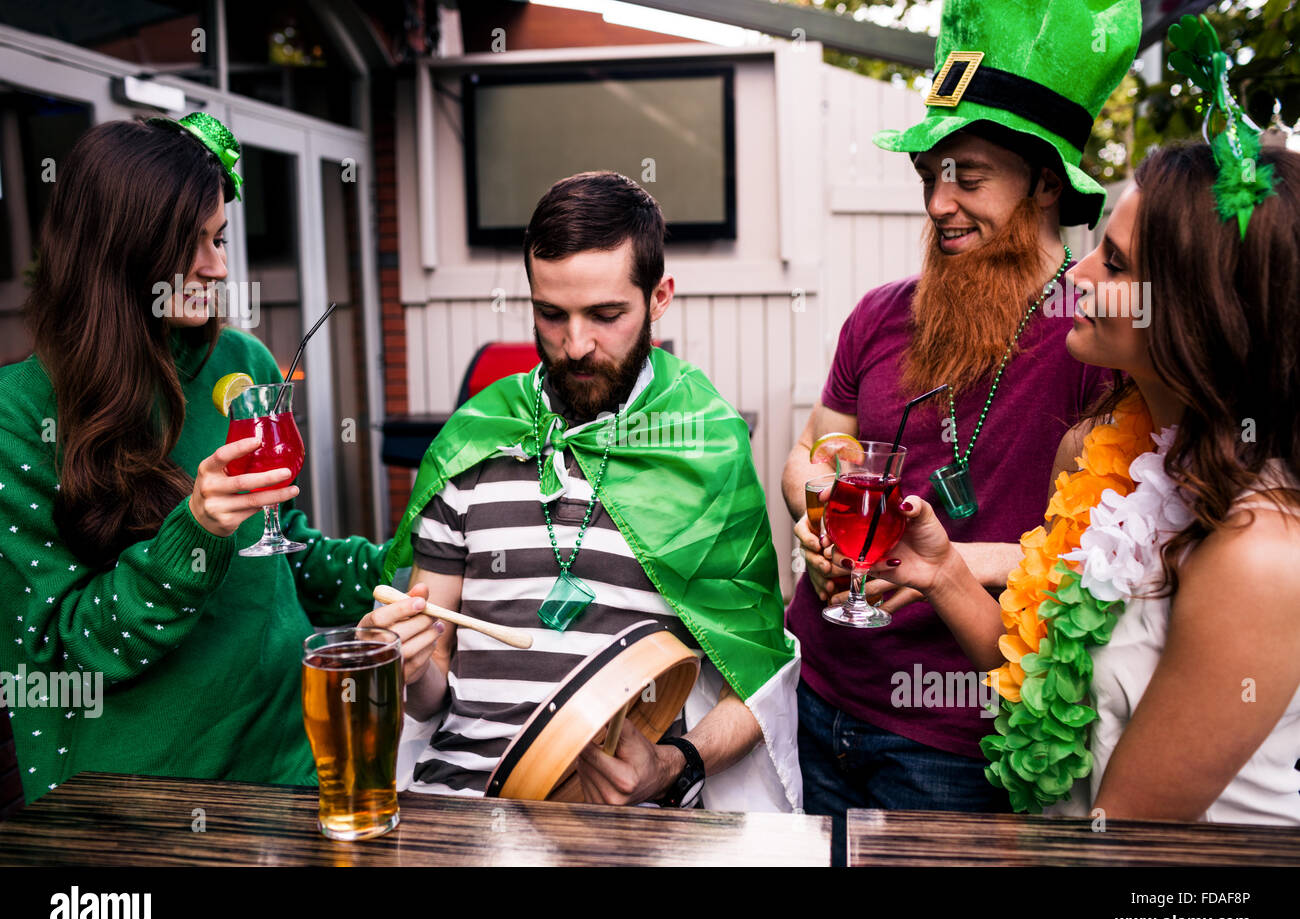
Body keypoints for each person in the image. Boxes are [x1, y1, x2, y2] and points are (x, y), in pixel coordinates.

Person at [781, 0, 1141, 858]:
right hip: (818, 694)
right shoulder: (880, 313)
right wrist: (824, 512)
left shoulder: (1102, 338)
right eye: (930, 176)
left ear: (1046, 183)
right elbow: (812, 448)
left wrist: (940, 562)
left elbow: (1107, 560)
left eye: (968, 178)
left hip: (954, 737)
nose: (938, 203)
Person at [871, 135, 1300, 824]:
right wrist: (942, 572)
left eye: (1118, 264)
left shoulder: (1257, 550)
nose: (1079, 274)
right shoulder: (1096, 458)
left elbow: (1125, 832)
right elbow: (1044, 676)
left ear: (1203, 307)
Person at [0, 114, 428, 802]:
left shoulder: (242, 362)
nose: (218, 267)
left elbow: (285, 558)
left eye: (219, 238)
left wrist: (418, 561)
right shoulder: (19, 414)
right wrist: (195, 529)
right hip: (144, 801)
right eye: (188, 242)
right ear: (115, 249)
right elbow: (64, 651)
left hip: (295, 764)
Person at [378, 172, 801, 811]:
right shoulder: (475, 440)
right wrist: (410, 668)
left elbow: (757, 676)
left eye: (606, 315)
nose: (575, 346)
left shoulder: (704, 447)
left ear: (659, 298)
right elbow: (432, 684)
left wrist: (673, 766)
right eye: (550, 315)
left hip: (629, 824)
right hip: (463, 808)